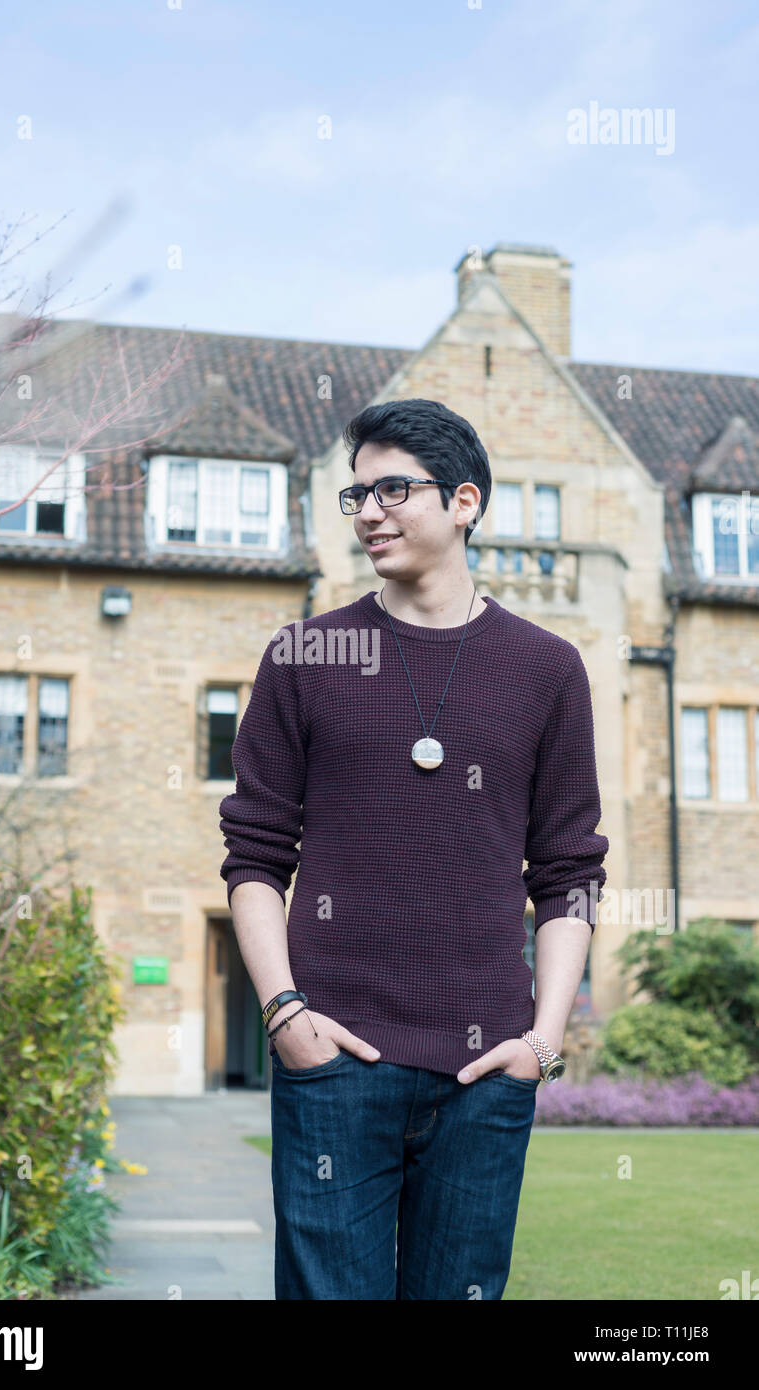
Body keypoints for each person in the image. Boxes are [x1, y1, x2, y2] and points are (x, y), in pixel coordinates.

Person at [218, 398, 608, 1300]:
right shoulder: (306, 656)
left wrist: (542, 1043)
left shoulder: (547, 669)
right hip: (334, 1058)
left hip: (485, 1071)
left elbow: (568, 875)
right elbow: (254, 857)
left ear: (463, 501)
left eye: (393, 488)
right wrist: (284, 1015)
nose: (368, 511)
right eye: (354, 494)